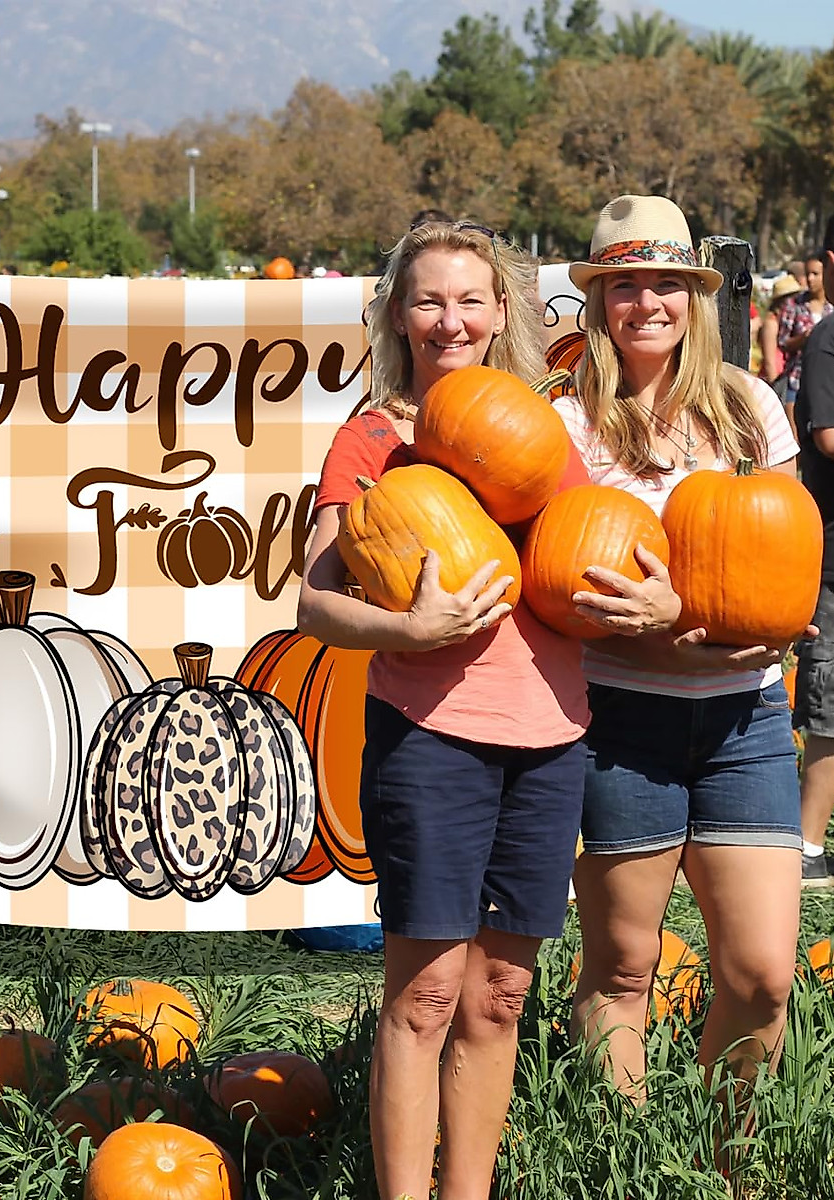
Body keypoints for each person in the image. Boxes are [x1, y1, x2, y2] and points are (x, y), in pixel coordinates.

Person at [297, 219, 595, 1200]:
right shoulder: (373, 436)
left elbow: (591, 550)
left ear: (502, 311)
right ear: (396, 313)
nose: (450, 320)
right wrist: (406, 634)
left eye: (471, 300)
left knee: (500, 999)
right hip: (431, 739)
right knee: (424, 996)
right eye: (428, 299)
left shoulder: (543, 431)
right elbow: (314, 599)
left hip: (551, 736)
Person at [554, 196, 806, 1136]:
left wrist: (744, 621)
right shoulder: (568, 423)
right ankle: (622, 1163)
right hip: (621, 721)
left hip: (744, 725)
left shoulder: (747, 407)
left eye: (666, 283)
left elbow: (784, 559)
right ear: (599, 302)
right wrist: (672, 619)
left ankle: (724, 1160)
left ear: (697, 297)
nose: (647, 302)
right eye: (626, 285)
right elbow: (557, 582)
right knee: (623, 970)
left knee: (762, 975)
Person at [792, 203, 834, 887]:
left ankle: (806, 844)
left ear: (832, 265)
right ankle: (806, 845)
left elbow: (830, 435)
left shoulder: (833, 333)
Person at [777, 248, 834, 429]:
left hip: (828, 380)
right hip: (797, 379)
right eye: (807, 273)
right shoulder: (793, 305)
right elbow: (783, 343)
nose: (810, 279)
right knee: (795, 435)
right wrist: (804, 338)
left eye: (815, 274)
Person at [758, 273, 802, 400]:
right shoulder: (771, 323)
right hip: (775, 382)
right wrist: (774, 389)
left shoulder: (784, 322)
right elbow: (769, 362)